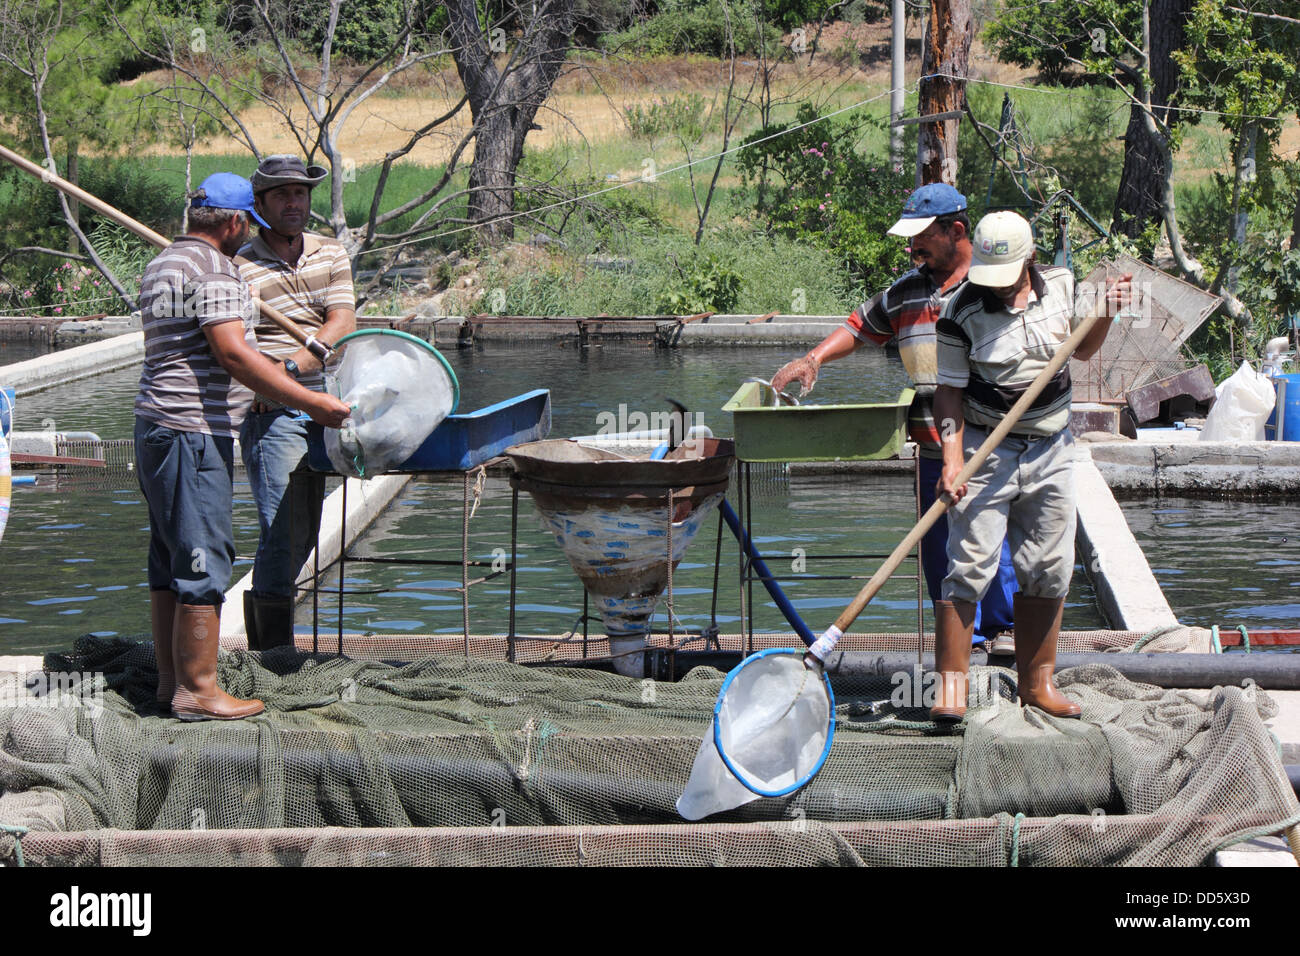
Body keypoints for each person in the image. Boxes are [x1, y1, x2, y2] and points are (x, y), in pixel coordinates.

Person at [135, 173, 350, 720]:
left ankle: (169, 681)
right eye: (248, 223)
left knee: (170, 557)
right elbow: (233, 355)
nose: (249, 233)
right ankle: (200, 691)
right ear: (235, 222)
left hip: (154, 428)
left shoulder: (166, 263)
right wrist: (311, 402)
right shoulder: (215, 269)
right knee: (205, 557)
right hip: (193, 431)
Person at [771, 183, 1018, 648]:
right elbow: (860, 327)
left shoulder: (992, 284)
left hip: (988, 443)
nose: (911, 248)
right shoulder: (906, 292)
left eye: (921, 237)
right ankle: (958, 641)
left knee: (992, 542)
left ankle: (1003, 632)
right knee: (938, 550)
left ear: (957, 230)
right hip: (929, 443)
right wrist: (814, 358)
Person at [930, 210, 1130, 722]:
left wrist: (1104, 310)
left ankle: (1037, 684)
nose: (996, 288)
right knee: (969, 564)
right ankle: (951, 687)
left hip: (1051, 449)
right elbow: (948, 393)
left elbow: (1082, 350)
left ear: (1030, 259)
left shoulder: (1063, 289)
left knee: (1049, 566)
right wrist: (953, 460)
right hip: (985, 447)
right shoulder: (958, 310)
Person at [236, 155, 357, 649]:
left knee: (306, 534)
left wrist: (292, 367)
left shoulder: (330, 253)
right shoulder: (239, 266)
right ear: (261, 204)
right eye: (282, 194)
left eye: (300, 194)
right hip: (274, 412)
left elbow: (342, 323)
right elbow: (237, 348)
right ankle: (271, 654)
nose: (293, 203)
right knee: (282, 532)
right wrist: (278, 382)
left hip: (327, 402)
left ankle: (273, 646)